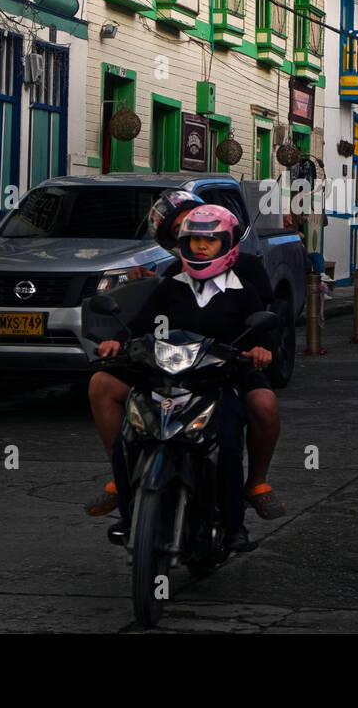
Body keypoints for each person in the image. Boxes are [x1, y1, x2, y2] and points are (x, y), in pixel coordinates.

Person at [87, 193, 285, 527]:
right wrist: (116, 343)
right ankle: (122, 478)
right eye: (189, 236)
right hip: (172, 367)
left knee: (261, 405)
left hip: (226, 369)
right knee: (102, 384)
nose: (199, 244)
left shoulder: (246, 276)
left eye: (209, 238)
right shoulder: (172, 281)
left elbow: (262, 321)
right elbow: (142, 324)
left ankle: (254, 487)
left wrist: (260, 349)